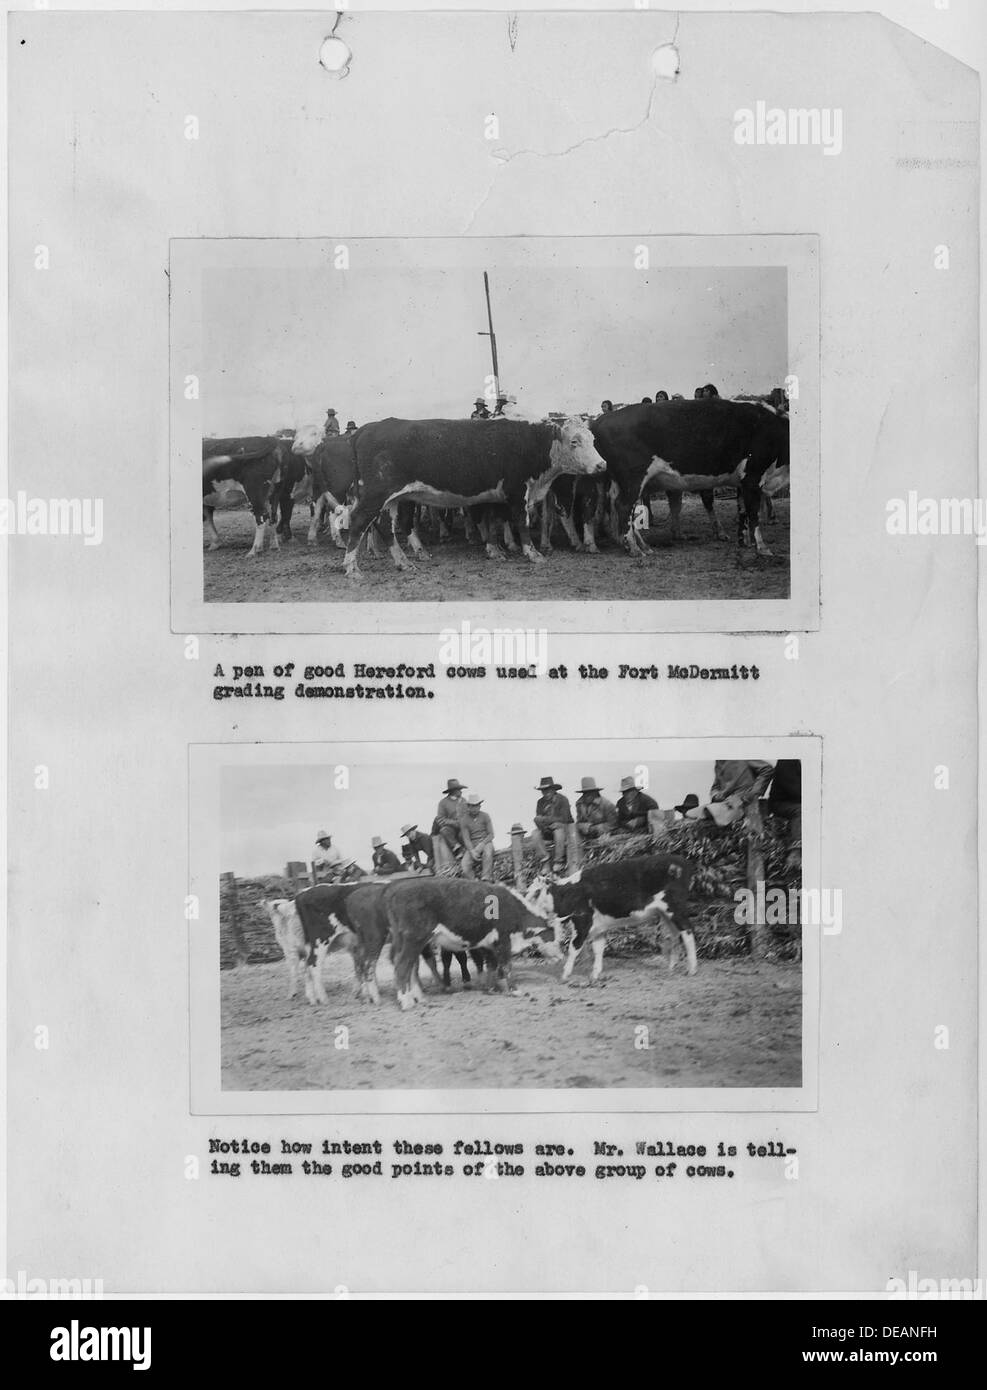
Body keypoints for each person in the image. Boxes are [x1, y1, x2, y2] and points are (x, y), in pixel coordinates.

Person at [704, 760, 774, 827]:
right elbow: (716, 786)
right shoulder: (719, 762)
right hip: (725, 809)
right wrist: (716, 795)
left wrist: (750, 795)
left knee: (750, 835)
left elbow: (767, 769)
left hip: (746, 807)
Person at [530, 775, 573, 873]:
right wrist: (545, 825)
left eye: (548, 790)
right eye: (543, 791)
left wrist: (549, 821)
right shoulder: (540, 802)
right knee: (535, 833)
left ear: (553, 790)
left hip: (564, 829)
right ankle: (545, 861)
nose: (546, 793)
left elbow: (565, 818)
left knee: (558, 830)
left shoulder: (563, 800)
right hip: (548, 830)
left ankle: (559, 861)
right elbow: (539, 819)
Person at [767, 760, 801, 871]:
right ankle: (796, 852)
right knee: (801, 811)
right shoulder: (786, 762)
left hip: (796, 800)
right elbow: (796, 790)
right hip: (781, 803)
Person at [461, 793, 495, 879]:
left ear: (480, 806)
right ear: (468, 807)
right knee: (464, 865)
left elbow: (491, 834)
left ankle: (485, 878)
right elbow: (466, 839)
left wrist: (482, 844)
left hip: (486, 842)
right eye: (472, 806)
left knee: (487, 853)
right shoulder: (464, 820)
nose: (475, 808)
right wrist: (472, 851)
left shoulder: (485, 816)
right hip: (473, 844)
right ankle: (473, 882)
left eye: (477, 805)